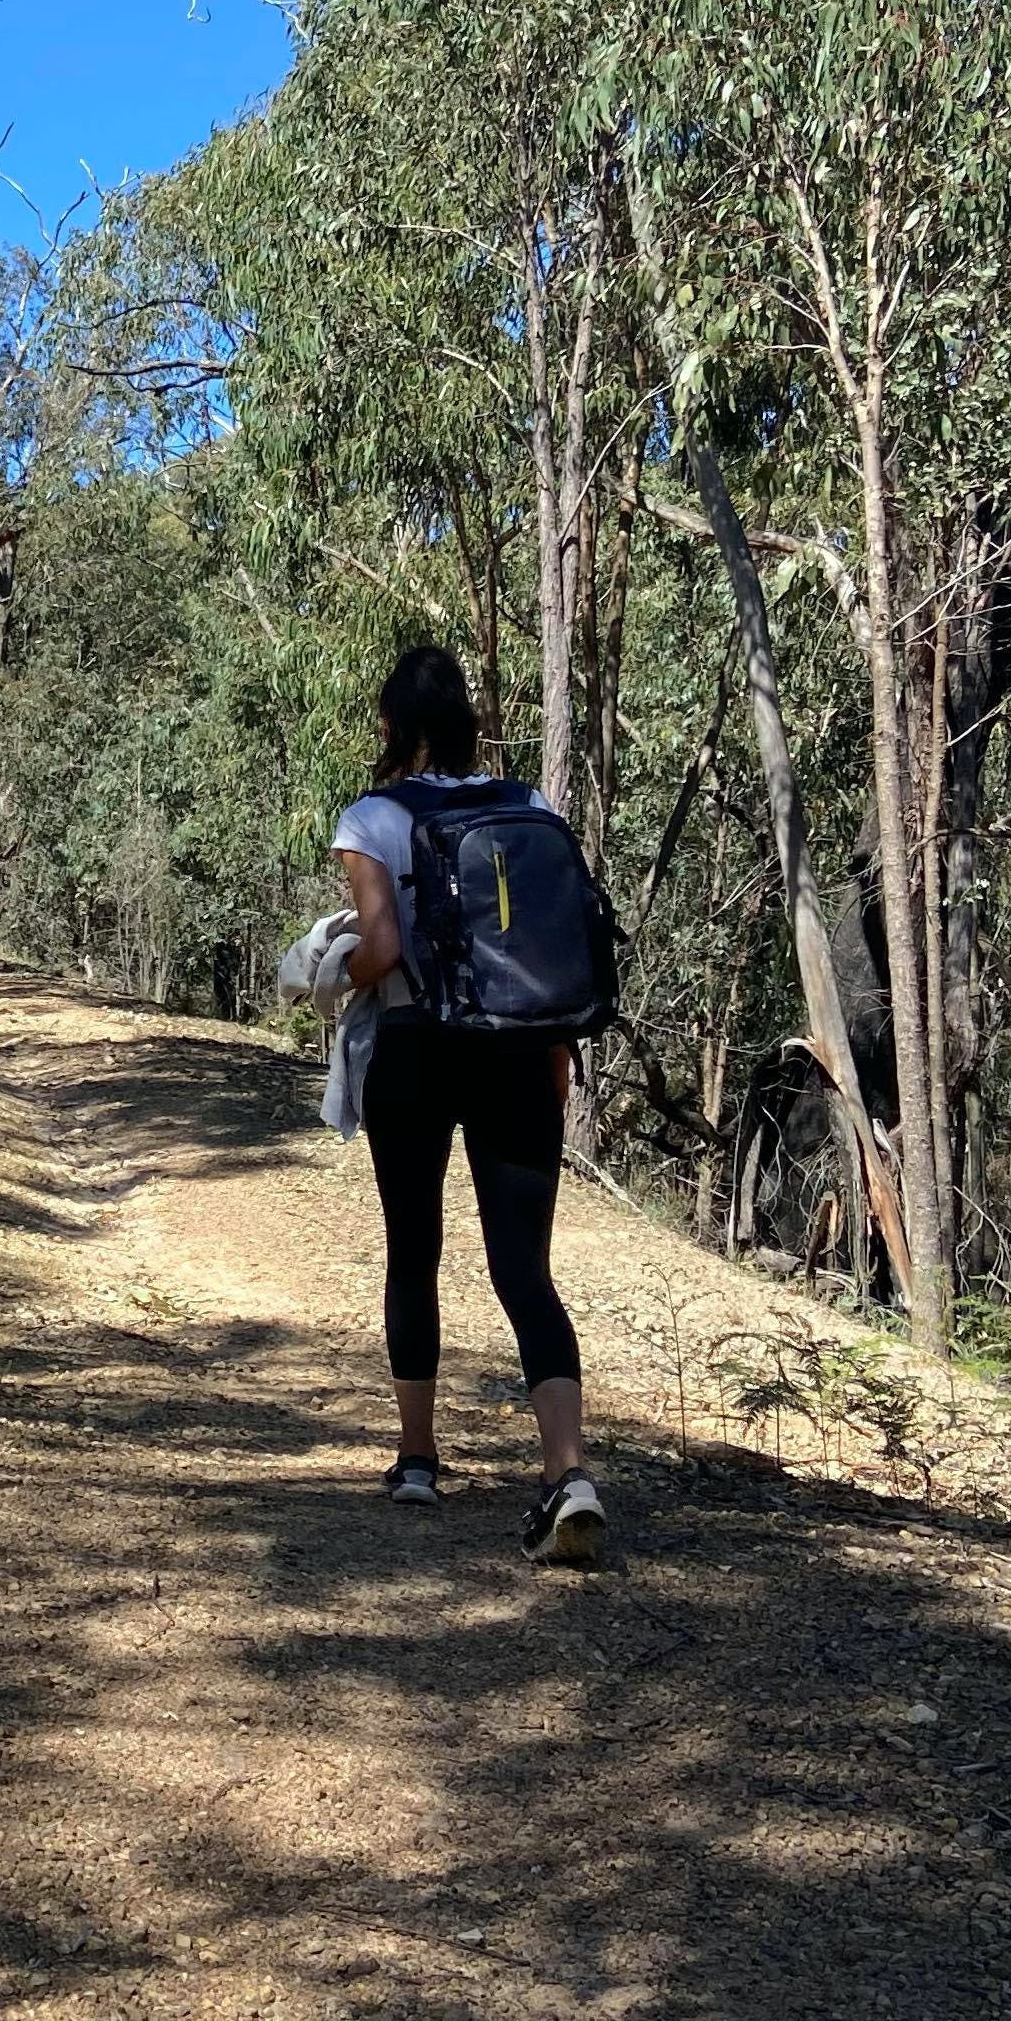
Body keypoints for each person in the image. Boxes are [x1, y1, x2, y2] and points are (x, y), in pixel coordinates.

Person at [332, 644, 605, 1567]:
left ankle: (416, 1459)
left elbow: (378, 947)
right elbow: (542, 946)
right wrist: (558, 1050)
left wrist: (329, 978)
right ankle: (566, 1475)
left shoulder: (373, 818)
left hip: (415, 1051)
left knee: (415, 1251)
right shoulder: (527, 807)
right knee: (524, 1270)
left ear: (391, 726)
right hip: (523, 1054)